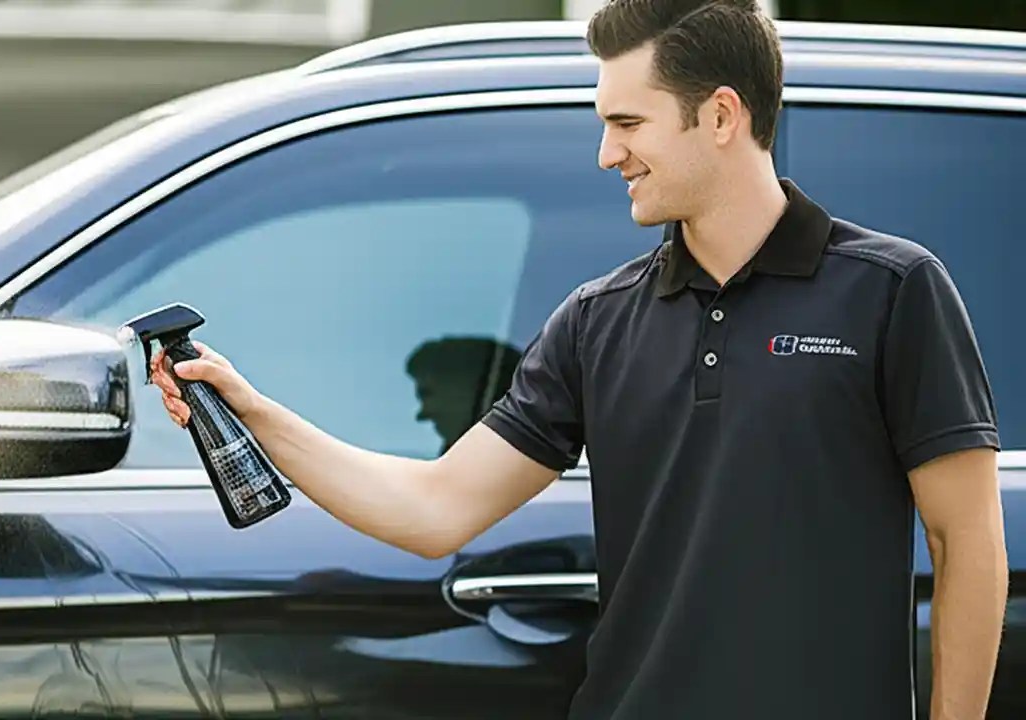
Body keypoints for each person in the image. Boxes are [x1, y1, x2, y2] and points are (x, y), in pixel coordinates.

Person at [150, 1, 1009, 717]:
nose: (608, 153)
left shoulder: (893, 292)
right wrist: (251, 410)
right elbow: (434, 509)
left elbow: (966, 541)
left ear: (719, 115)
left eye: (627, 123)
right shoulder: (598, 323)